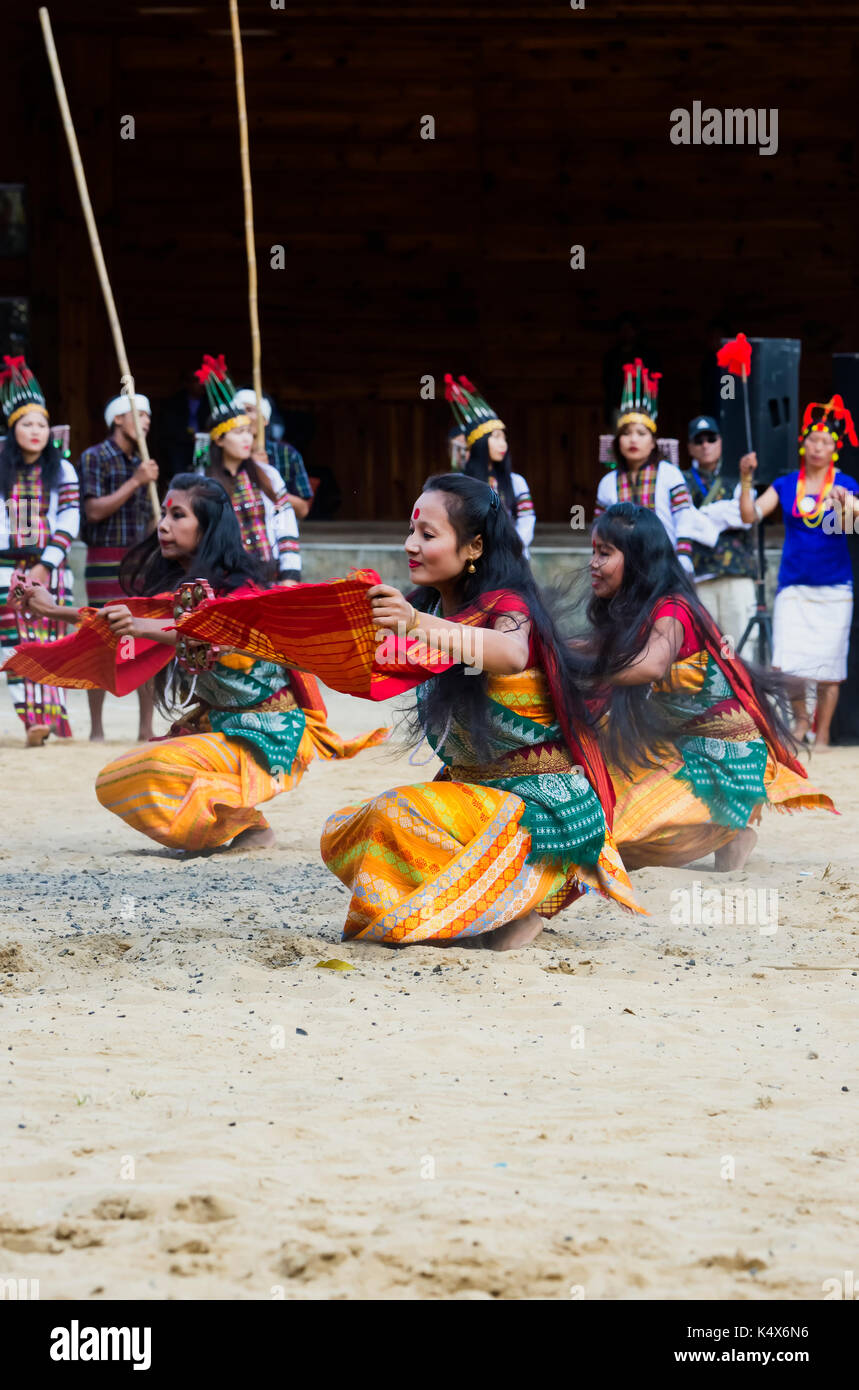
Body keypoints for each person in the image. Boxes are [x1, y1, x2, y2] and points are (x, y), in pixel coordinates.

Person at [320, 472, 641, 951]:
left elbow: (510, 652)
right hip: (481, 799)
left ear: (473, 548)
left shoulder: (507, 607)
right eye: (411, 531)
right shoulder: (429, 610)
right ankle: (494, 911)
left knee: (393, 814)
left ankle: (516, 906)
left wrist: (416, 623)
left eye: (427, 535)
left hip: (541, 813)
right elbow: (352, 656)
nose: (411, 544)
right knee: (343, 831)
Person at [13, 475, 386, 852]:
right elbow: (123, 619)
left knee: (146, 768)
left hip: (264, 735)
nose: (163, 525)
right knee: (116, 778)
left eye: (178, 515)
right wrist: (50, 608)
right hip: (219, 725)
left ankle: (250, 826)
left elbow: (219, 634)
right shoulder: (185, 590)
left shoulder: (242, 594)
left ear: (207, 528)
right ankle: (229, 827)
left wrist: (141, 626)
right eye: (164, 514)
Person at [586, 503, 834, 870]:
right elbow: (590, 653)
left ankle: (731, 829)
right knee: (603, 834)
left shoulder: (673, 609)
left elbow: (652, 665)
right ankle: (722, 829)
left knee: (621, 840)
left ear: (638, 560)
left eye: (604, 553)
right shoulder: (631, 609)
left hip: (725, 757)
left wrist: (577, 666)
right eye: (593, 551)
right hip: (676, 744)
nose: (593, 563)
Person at [739, 395, 859, 749]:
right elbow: (749, 516)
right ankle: (800, 723)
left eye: (826, 441)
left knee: (829, 667)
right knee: (787, 663)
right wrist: (746, 480)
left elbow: (852, 526)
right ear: (803, 444)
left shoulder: (845, 483)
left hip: (835, 587)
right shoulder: (786, 484)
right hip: (793, 585)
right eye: (813, 439)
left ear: (834, 448)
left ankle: (821, 736)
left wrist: (845, 504)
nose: (818, 446)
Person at [0, 355, 79, 744]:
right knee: (16, 643)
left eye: (42, 423)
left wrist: (47, 565)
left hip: (51, 569)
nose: (36, 430)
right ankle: (30, 719)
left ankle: (48, 716)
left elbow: (69, 519)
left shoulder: (63, 470)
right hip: (6, 568)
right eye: (27, 423)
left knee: (52, 640)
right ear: (13, 428)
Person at [79, 389, 159, 741]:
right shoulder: (95, 457)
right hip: (103, 558)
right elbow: (94, 511)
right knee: (100, 639)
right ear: (118, 419)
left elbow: (145, 518)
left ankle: (146, 728)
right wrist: (136, 482)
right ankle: (96, 728)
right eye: (138, 415)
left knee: (145, 638)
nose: (145, 422)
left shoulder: (143, 464)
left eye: (147, 417)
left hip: (139, 558)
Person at [193, 357, 300, 584]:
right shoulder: (202, 483)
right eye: (239, 433)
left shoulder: (267, 474)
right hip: (226, 583)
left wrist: (290, 575)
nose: (247, 439)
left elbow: (286, 524)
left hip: (271, 578)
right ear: (219, 440)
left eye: (249, 432)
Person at [595, 359, 697, 572]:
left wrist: (683, 554)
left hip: (665, 563)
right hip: (621, 568)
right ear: (617, 442)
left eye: (641, 434)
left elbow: (684, 516)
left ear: (653, 443)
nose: (633, 440)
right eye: (626, 434)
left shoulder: (670, 474)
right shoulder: (607, 482)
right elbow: (600, 526)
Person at [683, 414, 756, 641]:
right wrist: (721, 512)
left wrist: (702, 515)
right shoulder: (680, 479)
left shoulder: (739, 476)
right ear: (690, 447)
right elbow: (683, 519)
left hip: (737, 573)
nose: (705, 445)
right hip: (699, 575)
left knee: (743, 646)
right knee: (704, 649)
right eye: (698, 440)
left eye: (711, 439)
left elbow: (744, 515)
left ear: (720, 442)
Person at [445, 374, 536, 557]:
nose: (503, 444)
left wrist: (515, 543)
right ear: (479, 442)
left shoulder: (516, 481)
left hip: (511, 554)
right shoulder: (461, 483)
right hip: (472, 555)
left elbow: (526, 518)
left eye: (504, 438)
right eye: (496, 437)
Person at [233, 389, 313, 520]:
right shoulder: (224, 453)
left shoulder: (287, 454)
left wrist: (265, 476)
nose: (242, 415)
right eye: (237, 410)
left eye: (249, 409)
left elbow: (302, 510)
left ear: (265, 420)